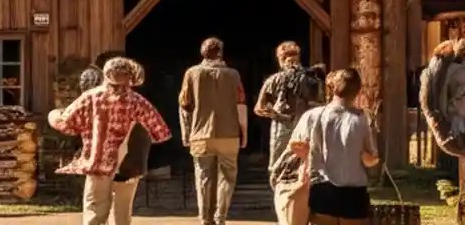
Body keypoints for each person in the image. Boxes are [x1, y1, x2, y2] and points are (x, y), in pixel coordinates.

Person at [49, 57, 171, 225]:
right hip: (130, 164)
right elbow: (161, 132)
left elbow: (65, 124)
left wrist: (53, 115)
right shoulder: (138, 102)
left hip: (98, 162)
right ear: (130, 76)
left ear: (106, 74)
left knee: (94, 211)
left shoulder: (91, 97)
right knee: (121, 213)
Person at [291, 68, 379, 225]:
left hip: (322, 187)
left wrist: (307, 153)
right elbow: (370, 159)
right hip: (354, 191)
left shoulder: (312, 116)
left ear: (332, 88)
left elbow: (295, 146)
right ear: (358, 91)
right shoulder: (361, 119)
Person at [179, 38, 246, 225]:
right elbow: (240, 105)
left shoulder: (192, 73)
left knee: (203, 177)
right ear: (221, 53)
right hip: (229, 133)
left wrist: (186, 134)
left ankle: (205, 218)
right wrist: (244, 132)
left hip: (200, 134)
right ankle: (221, 216)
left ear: (202, 53)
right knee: (227, 177)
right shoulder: (234, 75)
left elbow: (184, 106)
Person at [255, 41, 324, 183]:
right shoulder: (313, 79)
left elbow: (259, 108)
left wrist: (274, 113)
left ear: (280, 59)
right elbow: (322, 102)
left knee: (277, 168)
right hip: (307, 128)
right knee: (306, 166)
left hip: (281, 128)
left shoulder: (273, 80)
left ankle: (279, 200)